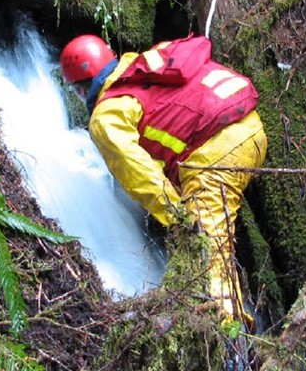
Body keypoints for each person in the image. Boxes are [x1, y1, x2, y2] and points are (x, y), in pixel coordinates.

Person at [60, 33, 267, 328]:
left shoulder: (106, 117)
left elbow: (140, 175)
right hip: (250, 127)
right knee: (217, 243)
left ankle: (231, 342)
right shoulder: (147, 63)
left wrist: (179, 218)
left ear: (81, 88)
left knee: (206, 254)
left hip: (216, 153)